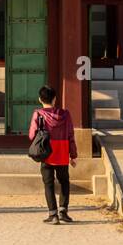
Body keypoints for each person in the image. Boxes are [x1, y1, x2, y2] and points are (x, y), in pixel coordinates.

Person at [28, 85, 77, 224]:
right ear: (55, 99)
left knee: (48, 184)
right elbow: (71, 135)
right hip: (62, 151)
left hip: (46, 152)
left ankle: (53, 214)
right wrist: (73, 155)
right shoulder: (65, 114)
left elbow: (32, 135)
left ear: (40, 99)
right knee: (64, 182)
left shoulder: (38, 114)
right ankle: (63, 212)